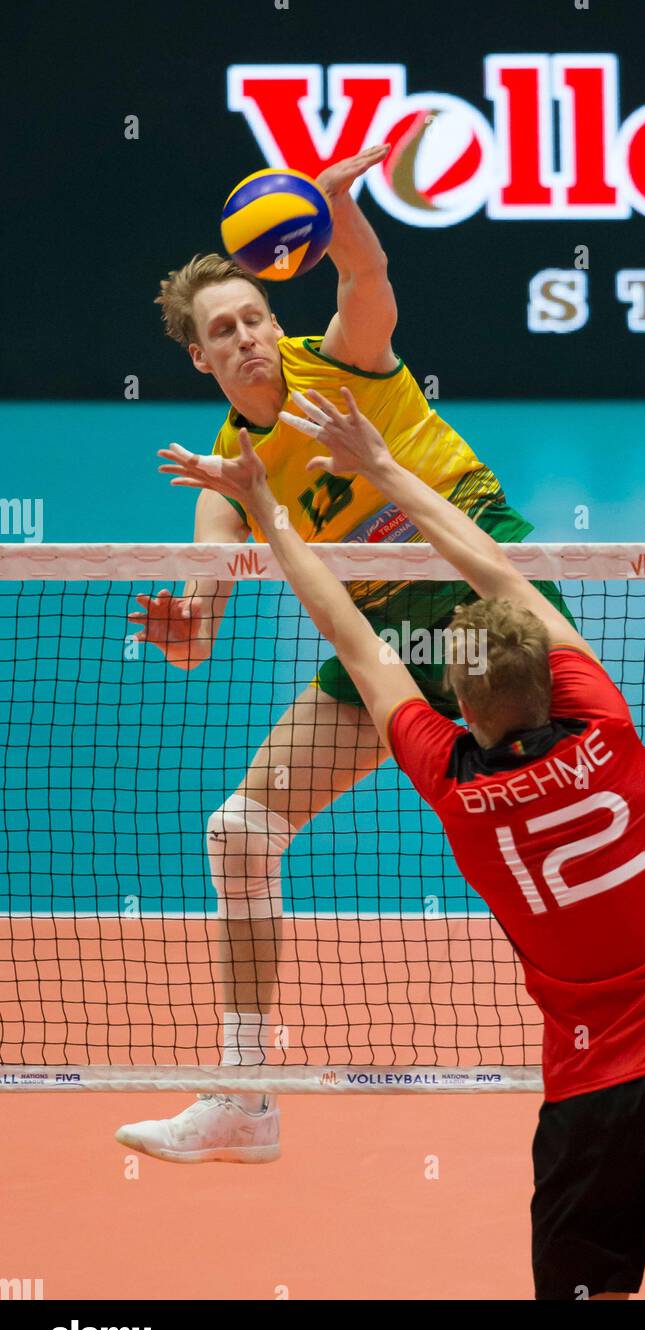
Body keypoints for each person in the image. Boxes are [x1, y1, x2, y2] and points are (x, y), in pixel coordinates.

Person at [145, 387, 645, 1301]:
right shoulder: (610, 728)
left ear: (463, 710)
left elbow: (356, 642)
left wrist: (271, 519)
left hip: (585, 1104)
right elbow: (496, 570)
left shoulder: (458, 789)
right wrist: (384, 470)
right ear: (553, 679)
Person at [115, 143, 573, 1161]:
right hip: (378, 642)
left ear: (275, 323)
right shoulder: (225, 474)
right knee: (239, 831)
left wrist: (336, 205)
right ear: (199, 359)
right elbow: (205, 611)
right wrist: (187, 629)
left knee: (542, 817)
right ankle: (244, 1097)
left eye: (251, 319)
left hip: (475, 594)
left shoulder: (348, 358)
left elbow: (364, 276)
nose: (242, 339)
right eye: (219, 333)